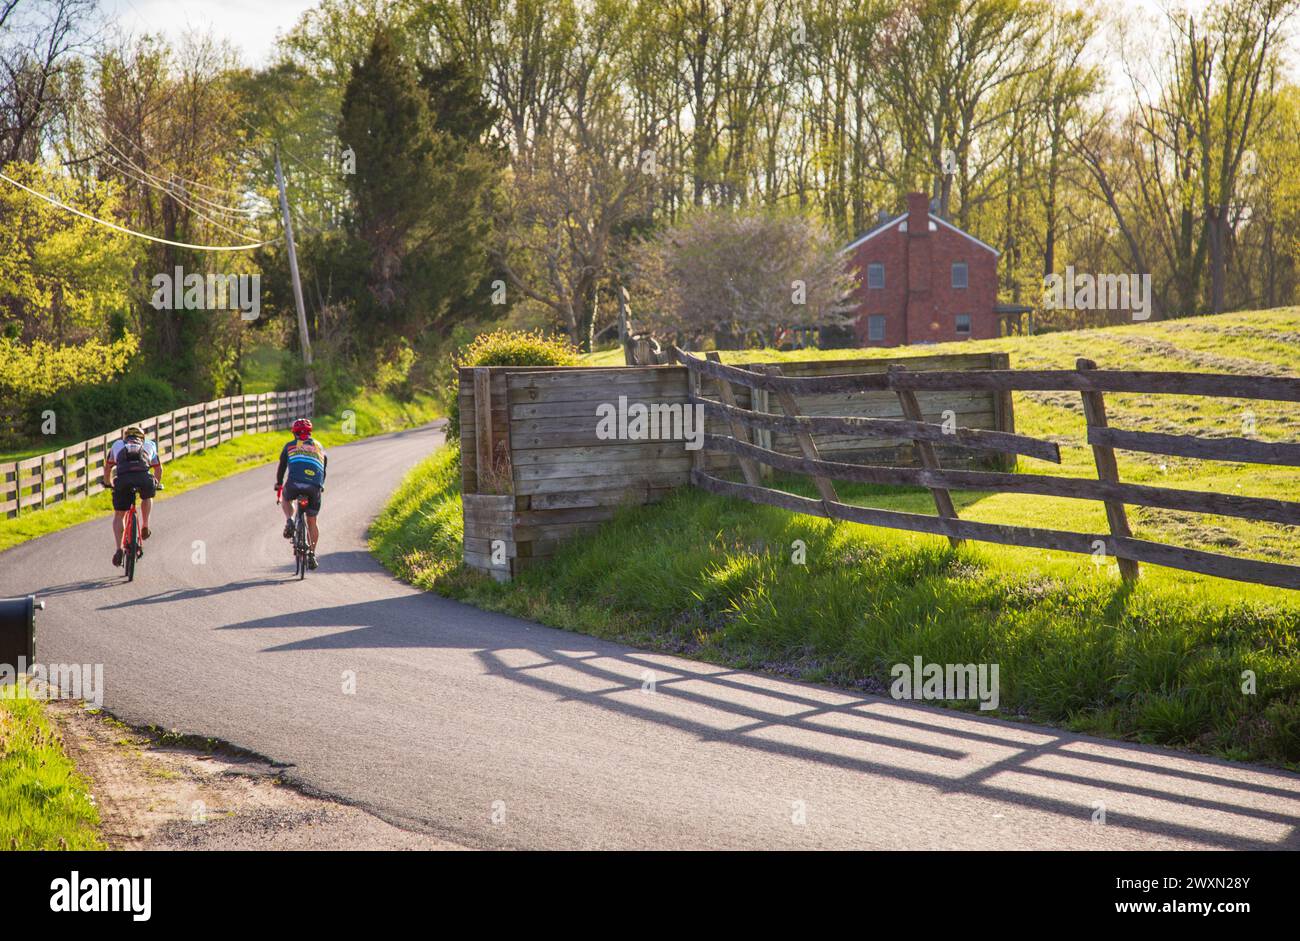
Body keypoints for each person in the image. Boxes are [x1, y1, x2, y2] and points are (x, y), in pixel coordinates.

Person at [105, 425, 163, 567]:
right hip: (143, 478)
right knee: (147, 496)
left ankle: (119, 549)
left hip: (123, 480)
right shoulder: (149, 444)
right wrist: (156, 483)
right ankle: (145, 525)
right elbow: (158, 468)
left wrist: (108, 483)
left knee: (119, 515)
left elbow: (108, 467)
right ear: (142, 438)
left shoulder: (117, 445)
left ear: (126, 437)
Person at [275, 418, 327, 570]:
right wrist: (320, 486)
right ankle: (312, 554)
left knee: (286, 498)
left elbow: (282, 468)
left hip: (294, 484)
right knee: (312, 521)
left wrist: (279, 483)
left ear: (294, 433)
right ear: (310, 432)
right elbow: (323, 469)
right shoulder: (319, 446)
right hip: (314, 486)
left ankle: (289, 520)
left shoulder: (290, 446)